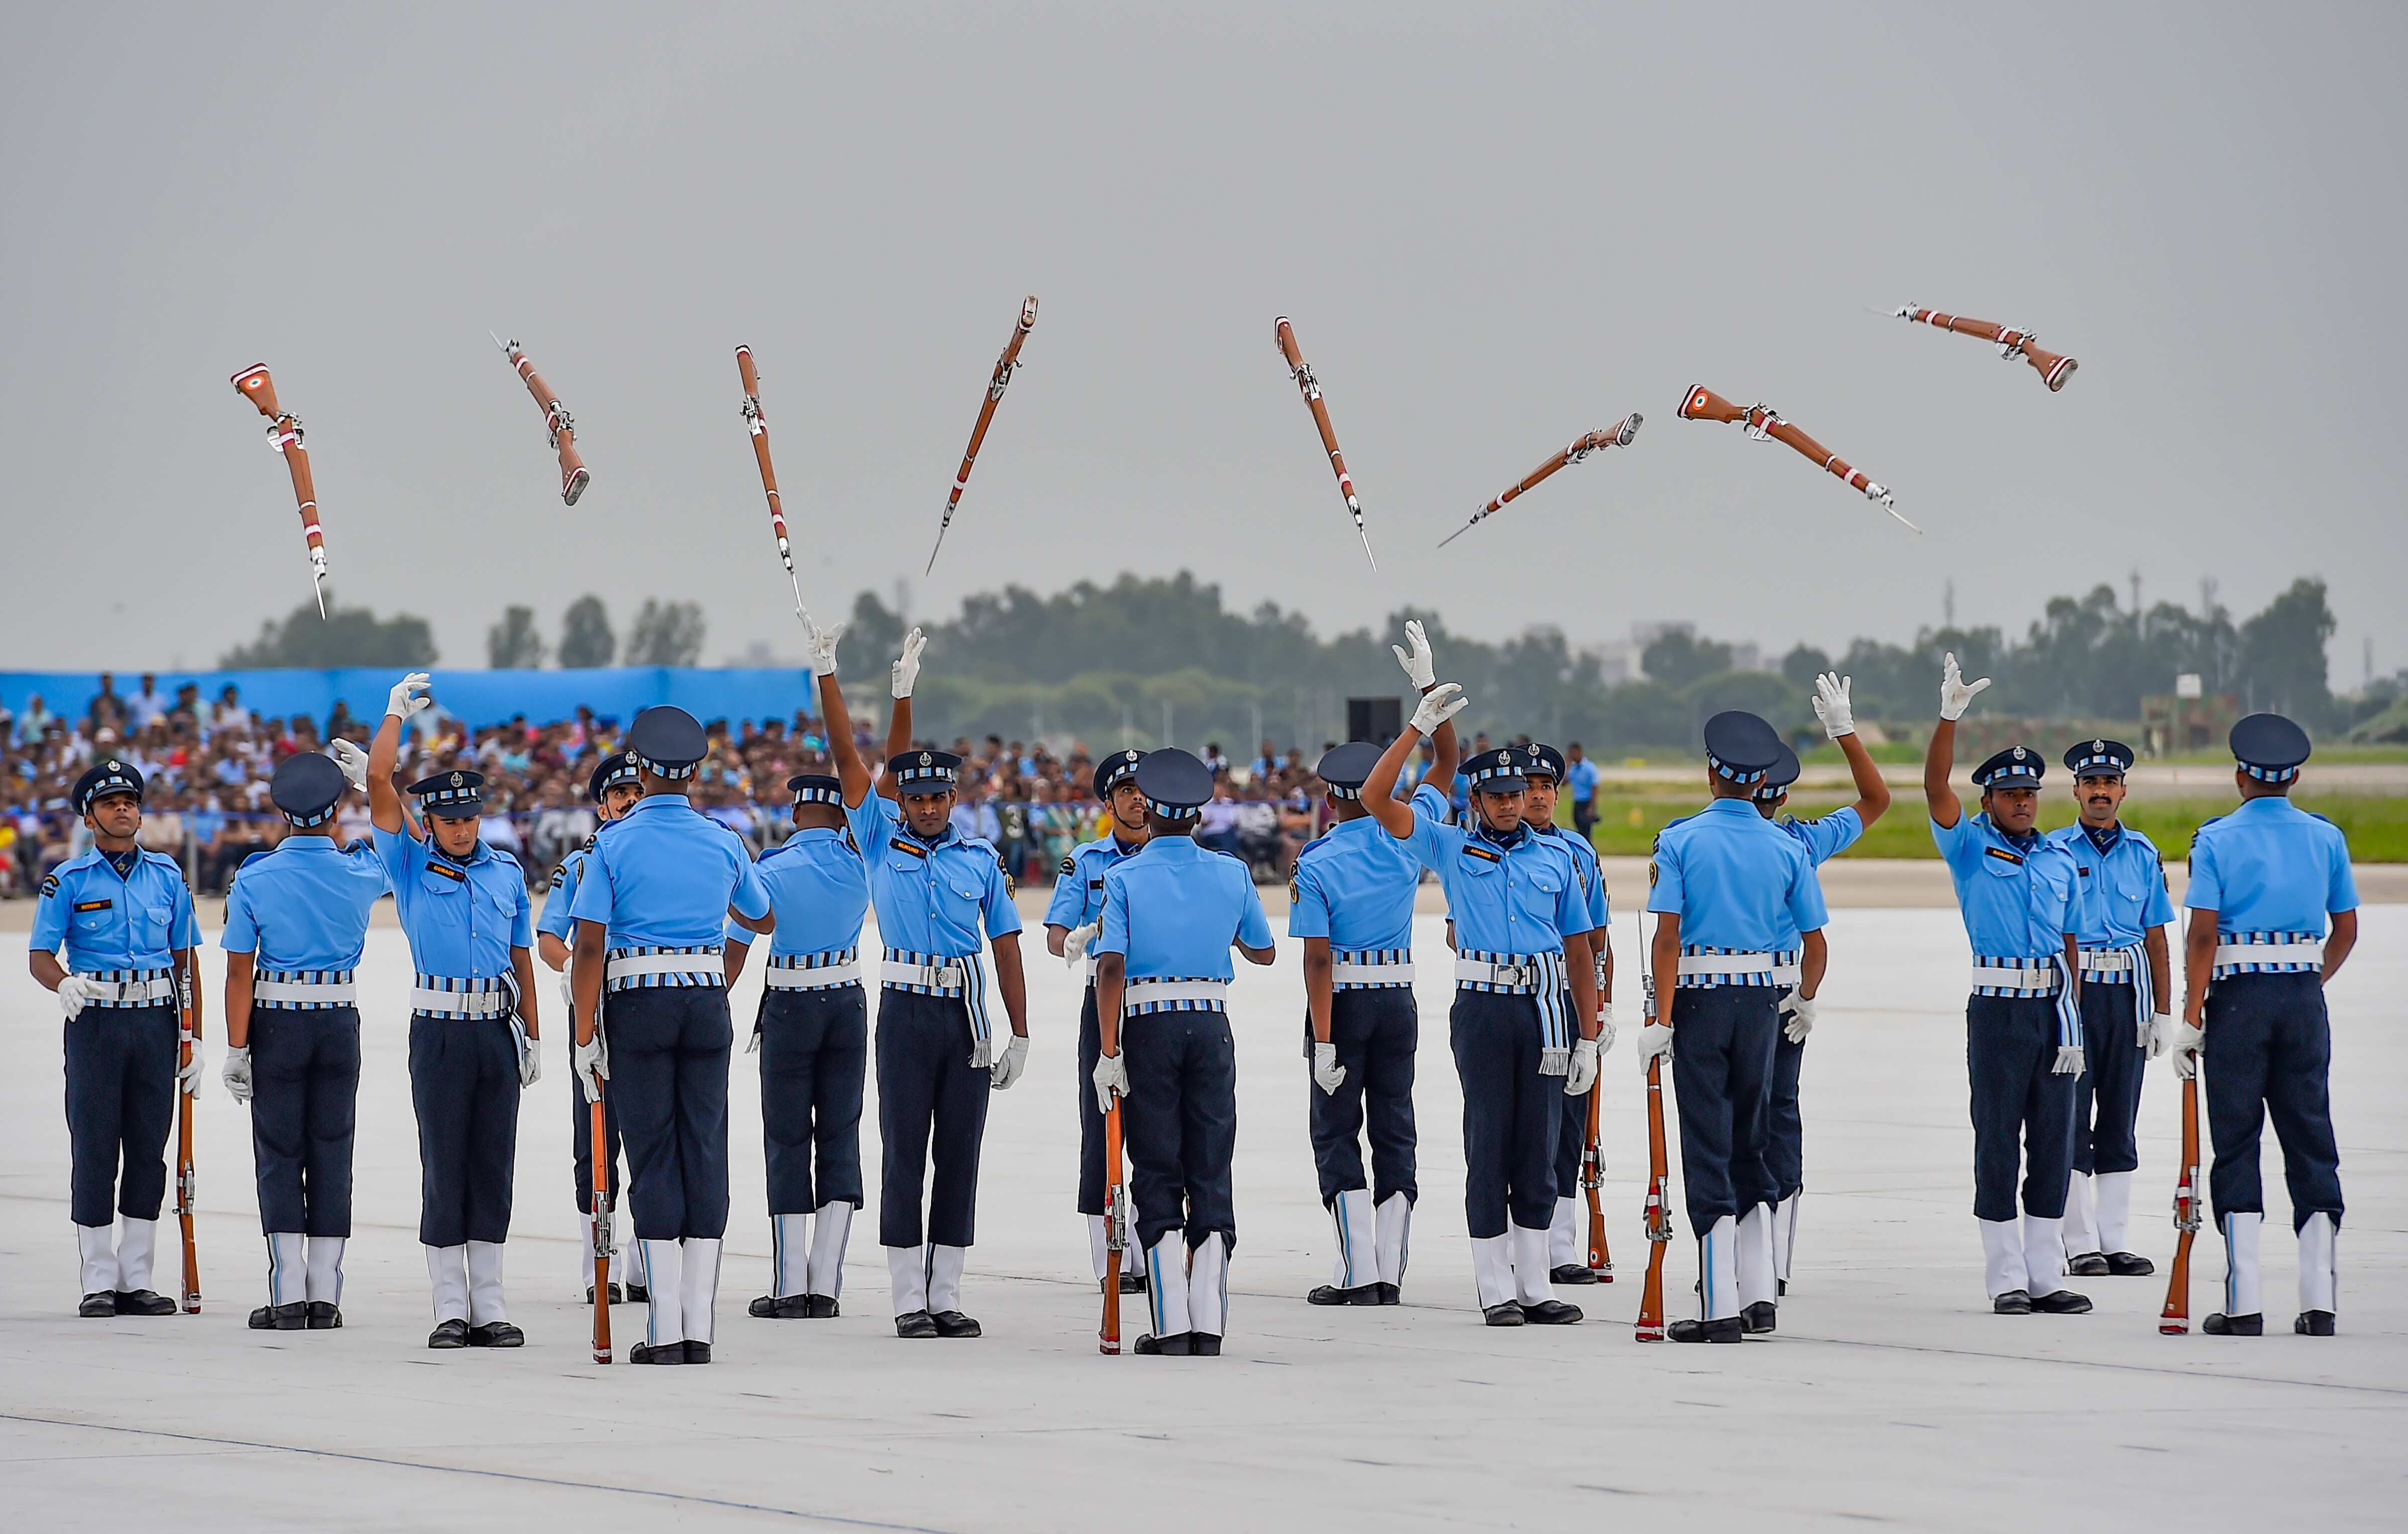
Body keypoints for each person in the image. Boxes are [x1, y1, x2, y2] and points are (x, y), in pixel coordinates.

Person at [802, 617, 1031, 1339]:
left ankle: (948, 1292)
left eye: (938, 798)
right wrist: (830, 673)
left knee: (960, 1152)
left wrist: (1020, 1031)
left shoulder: (979, 860)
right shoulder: (876, 835)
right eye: (917, 797)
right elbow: (851, 754)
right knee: (905, 1149)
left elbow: (1006, 947)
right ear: (902, 801)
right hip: (904, 1008)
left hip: (965, 1015)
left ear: (953, 800)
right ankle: (908, 1296)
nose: (927, 806)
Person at [1359, 678, 1603, 1327]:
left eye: (1516, 794)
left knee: (1540, 1145)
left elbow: (1579, 951)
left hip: (1547, 1007)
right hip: (1484, 1006)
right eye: (1495, 795)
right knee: (1488, 1142)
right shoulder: (1448, 845)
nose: (1506, 804)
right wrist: (1416, 725)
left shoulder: (1556, 859)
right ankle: (1495, 1287)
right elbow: (1375, 797)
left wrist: (1588, 1032)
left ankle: (1534, 1284)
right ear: (1477, 798)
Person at [568, 704, 774, 1364]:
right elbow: (762, 918)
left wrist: (584, 1032)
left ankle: (663, 1328)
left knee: (654, 1154)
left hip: (639, 1004)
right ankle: (700, 1327)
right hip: (706, 1000)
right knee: (704, 1150)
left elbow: (590, 946)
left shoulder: (614, 843)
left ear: (643, 769)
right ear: (695, 772)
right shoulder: (721, 839)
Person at [1636, 711, 1829, 1342]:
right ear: (1759, 783)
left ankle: (1719, 1307)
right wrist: (1803, 998)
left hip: (1700, 1001)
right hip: (1763, 1006)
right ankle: (1760, 1296)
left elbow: (1667, 939)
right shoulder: (1787, 847)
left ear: (1713, 773)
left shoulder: (1681, 840)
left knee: (1708, 1147)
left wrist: (1662, 1020)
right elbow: (1816, 944)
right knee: (1753, 1143)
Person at [369, 674, 543, 1350]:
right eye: (451, 819)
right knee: (445, 1163)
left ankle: (490, 1304)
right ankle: (449, 1305)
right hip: (438, 1030)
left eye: (471, 817)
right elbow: (381, 778)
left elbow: (522, 956)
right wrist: (393, 715)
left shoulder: (504, 871)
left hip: (496, 1031)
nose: (464, 828)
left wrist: (533, 1031)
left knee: (493, 1163)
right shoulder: (410, 866)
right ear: (431, 823)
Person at [2170, 713, 2356, 1337]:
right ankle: (2320, 1300)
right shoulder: (2326, 837)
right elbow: (2347, 929)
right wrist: (2308, 982)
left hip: (2238, 1001)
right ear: (2295, 776)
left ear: (2240, 775)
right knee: (2310, 1138)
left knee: (2237, 1141)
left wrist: (2193, 1014)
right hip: (2302, 999)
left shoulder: (2217, 839)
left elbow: (2202, 933)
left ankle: (2245, 1301)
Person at [1090, 748, 1277, 1354]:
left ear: (1152, 810)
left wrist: (1108, 1048)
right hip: (1211, 1021)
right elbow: (1262, 950)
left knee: (1158, 1167)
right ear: (1198, 814)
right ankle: (1210, 1320)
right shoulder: (1232, 873)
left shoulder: (1122, 878)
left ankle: (1170, 1323)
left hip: (1147, 1024)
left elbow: (1111, 966)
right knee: (1211, 1165)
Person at [1922, 655, 2091, 1317]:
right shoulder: (1968, 848)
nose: (2023, 801)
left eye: (2031, 793)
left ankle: (2047, 1273)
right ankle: (2005, 1275)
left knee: (2055, 1138)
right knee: (1998, 1137)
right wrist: (1948, 717)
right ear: (1988, 800)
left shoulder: (2059, 858)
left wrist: (2073, 1011)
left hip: (2052, 1009)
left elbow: (2071, 939)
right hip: (1995, 1009)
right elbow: (1934, 784)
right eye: (2010, 793)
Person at [219, 747, 390, 1330]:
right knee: (332, 1148)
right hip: (339, 1019)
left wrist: (237, 1047)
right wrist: (373, 780)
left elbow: (239, 970)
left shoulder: (255, 877)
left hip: (278, 1021)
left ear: (282, 813)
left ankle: (287, 1291)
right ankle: (326, 1292)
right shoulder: (360, 871)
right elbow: (402, 839)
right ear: (338, 809)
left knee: (280, 1151)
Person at [27, 758, 202, 1317]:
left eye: (129, 800)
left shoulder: (169, 876)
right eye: (109, 803)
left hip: (154, 1019)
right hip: (97, 1021)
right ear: (89, 816)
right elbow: (38, 955)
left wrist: (192, 1036)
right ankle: (98, 1278)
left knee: (149, 1149)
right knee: (97, 1146)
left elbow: (185, 957)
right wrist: (64, 985)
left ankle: (137, 1277)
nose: (122, 809)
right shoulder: (69, 880)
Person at [1752, 674, 1891, 1295]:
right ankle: (1775, 1262)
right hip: (1786, 995)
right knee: (1780, 1114)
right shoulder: (1801, 840)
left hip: (1746, 995)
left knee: (1739, 1121)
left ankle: (1751, 1261)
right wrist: (1845, 733)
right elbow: (1875, 799)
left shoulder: (1698, 838)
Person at [726, 768, 870, 1320]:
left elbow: (738, 948)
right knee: (840, 1133)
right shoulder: (861, 867)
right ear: (841, 816)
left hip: (790, 1006)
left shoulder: (772, 870)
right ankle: (827, 1282)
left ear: (794, 815)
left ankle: (789, 1284)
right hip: (846, 1001)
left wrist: (716, 1002)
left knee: (787, 1139)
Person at [1291, 734, 1426, 1306]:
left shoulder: (1316, 861)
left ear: (1328, 798)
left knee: (1336, 1130)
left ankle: (1359, 1270)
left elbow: (1318, 958)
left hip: (1343, 1003)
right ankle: (1391, 1272)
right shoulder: (1405, 841)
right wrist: (1422, 717)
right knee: (1395, 1127)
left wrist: (1324, 1040)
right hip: (1398, 995)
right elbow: (1444, 770)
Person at [2044, 738, 2174, 1279]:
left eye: (2109, 783)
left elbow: (2157, 937)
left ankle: (2115, 1237)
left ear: (2123, 790)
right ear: (2075, 789)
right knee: (2072, 1118)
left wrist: (2165, 1011)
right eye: (2091, 783)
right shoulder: (2052, 851)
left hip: (2127, 996)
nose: (2101, 792)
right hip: (2075, 996)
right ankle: (2079, 1241)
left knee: (2121, 1115)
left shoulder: (2143, 854)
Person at [535, 751, 649, 1305]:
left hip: (650, 1005)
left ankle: (648, 1257)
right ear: (601, 805)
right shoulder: (583, 863)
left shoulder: (661, 855)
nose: (629, 799)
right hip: (595, 1008)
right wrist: (567, 971)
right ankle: (598, 1260)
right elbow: (551, 936)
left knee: (653, 1135)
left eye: (636, 790)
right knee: (596, 1140)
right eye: (618, 793)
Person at [1044, 747, 1152, 1294]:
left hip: (1157, 1001)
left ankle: (1149, 1245)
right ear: (1109, 802)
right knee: (1103, 1124)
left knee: (1156, 1129)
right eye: (1126, 790)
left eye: (1143, 788)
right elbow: (1056, 935)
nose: (1137, 798)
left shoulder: (1176, 854)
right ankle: (1108, 1250)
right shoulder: (1086, 861)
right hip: (1102, 999)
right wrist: (1078, 939)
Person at [1519, 741, 1617, 1287]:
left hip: (1568, 997)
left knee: (1569, 1128)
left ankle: (1560, 1246)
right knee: (1521, 1127)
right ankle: (1519, 1242)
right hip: (1513, 998)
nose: (1537, 796)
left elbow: (1600, 943)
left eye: (1545, 787)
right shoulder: (1491, 846)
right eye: (1527, 788)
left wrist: (1600, 1011)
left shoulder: (1580, 853)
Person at [1564, 742, 1601, 839]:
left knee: (1586, 832)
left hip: (1587, 802)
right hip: (1577, 802)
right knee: (1579, 830)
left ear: (1579, 752)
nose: (1571, 755)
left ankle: (1589, 852)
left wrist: (1592, 807)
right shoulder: (1573, 768)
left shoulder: (1589, 768)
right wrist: (1567, 766)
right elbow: (1564, 783)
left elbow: (1595, 788)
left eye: (1572, 753)